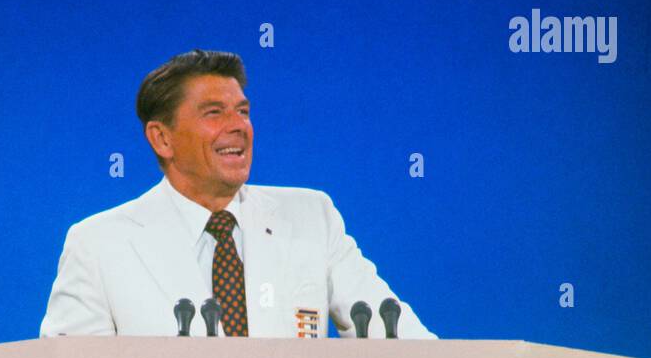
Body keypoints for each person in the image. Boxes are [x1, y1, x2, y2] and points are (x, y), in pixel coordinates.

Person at [39, 50, 437, 340]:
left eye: (243, 112)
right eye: (214, 113)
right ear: (162, 138)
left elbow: (399, 339)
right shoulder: (99, 243)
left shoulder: (312, 216)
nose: (238, 127)